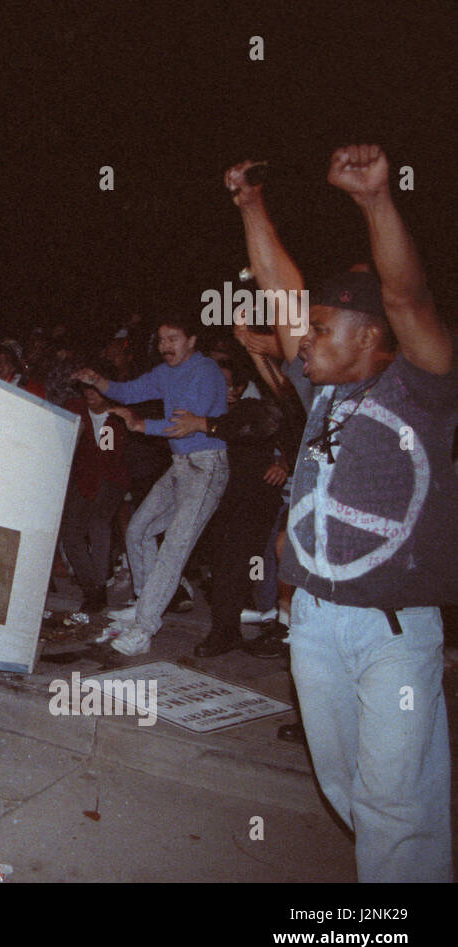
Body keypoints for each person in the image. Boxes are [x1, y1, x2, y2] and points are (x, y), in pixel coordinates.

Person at [228, 144, 456, 882]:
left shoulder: (421, 391)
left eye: (322, 330)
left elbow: (409, 297)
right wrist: (251, 205)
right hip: (315, 623)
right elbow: (279, 286)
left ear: (370, 338)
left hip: (392, 631)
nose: (303, 339)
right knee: (346, 789)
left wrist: (375, 200)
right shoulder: (322, 391)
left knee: (396, 805)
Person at [74, 320, 230, 655]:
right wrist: (98, 381)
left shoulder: (205, 371)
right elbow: (130, 391)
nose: (165, 346)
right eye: (161, 340)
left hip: (206, 466)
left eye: (173, 338)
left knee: (174, 547)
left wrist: (140, 424)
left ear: (192, 340)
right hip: (179, 466)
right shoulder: (165, 371)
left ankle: (144, 628)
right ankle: (145, 601)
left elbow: (183, 426)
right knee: (139, 529)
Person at [167, 355, 291, 656]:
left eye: (228, 384)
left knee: (234, 568)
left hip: (254, 501)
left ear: (238, 388)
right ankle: (234, 627)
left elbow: (272, 428)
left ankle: (229, 632)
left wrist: (286, 463)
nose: (223, 389)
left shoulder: (249, 410)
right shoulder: (198, 415)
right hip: (218, 501)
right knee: (223, 568)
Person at [60, 379, 130, 613]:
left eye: (96, 388)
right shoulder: (76, 407)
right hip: (83, 477)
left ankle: (98, 588)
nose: (90, 393)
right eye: (86, 388)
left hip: (110, 479)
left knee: (98, 524)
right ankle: (92, 586)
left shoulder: (115, 419)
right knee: (70, 533)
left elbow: (108, 461)